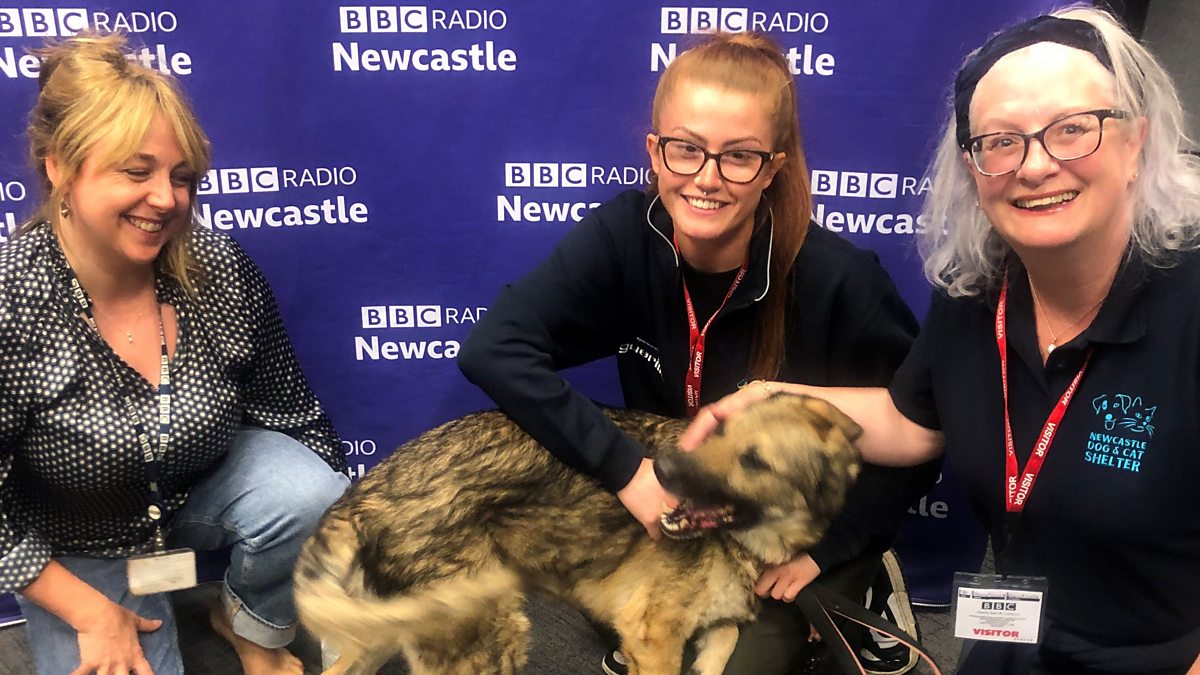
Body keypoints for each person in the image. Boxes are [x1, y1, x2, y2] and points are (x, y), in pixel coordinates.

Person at [686, 7, 1200, 674]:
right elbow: (911, 420)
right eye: (1002, 141)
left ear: (1136, 143)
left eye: (1073, 130)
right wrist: (771, 396)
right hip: (1011, 636)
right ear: (973, 167)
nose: (1036, 164)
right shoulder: (979, 289)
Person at [459, 31, 937, 675]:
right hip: (680, 507)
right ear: (655, 153)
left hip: (792, 533)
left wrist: (837, 547)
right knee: (632, 628)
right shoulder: (622, 234)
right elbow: (493, 349)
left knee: (742, 666)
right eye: (686, 150)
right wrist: (628, 474)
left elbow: (920, 432)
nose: (706, 179)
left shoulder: (840, 279)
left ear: (772, 167)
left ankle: (862, 580)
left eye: (738, 157)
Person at [1, 33, 349, 675]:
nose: (167, 199)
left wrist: (341, 531)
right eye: (137, 172)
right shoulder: (10, 298)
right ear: (59, 168)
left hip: (190, 498)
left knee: (312, 489)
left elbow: (293, 414)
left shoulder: (217, 268)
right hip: (80, 540)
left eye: (181, 177)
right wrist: (89, 611)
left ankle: (247, 622)